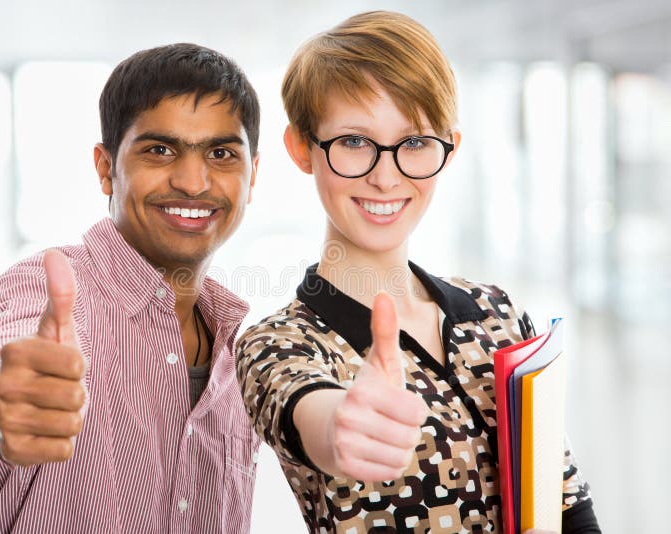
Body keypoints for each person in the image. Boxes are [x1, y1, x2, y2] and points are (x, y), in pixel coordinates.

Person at [236, 11, 600, 534]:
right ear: (301, 149)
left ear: (447, 149)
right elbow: (307, 409)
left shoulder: (495, 312)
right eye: (355, 142)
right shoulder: (278, 343)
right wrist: (340, 424)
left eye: (413, 143)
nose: (386, 177)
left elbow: (567, 507)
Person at [0, 43, 261, 533]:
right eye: (160, 150)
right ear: (105, 167)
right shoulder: (41, 291)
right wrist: (15, 399)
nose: (192, 181)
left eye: (221, 154)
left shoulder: (236, 349)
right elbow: (4, 350)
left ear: (252, 176)